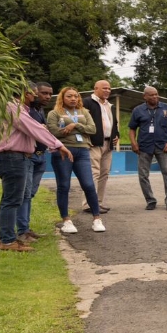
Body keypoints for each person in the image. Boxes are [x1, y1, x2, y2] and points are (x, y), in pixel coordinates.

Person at [0, 83, 72, 251]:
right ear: (25, 93)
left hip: (13, 158)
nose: (36, 96)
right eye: (34, 93)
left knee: (10, 200)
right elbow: (34, 128)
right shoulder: (13, 108)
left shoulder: (19, 108)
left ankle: (6, 238)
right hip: (12, 158)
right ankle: (7, 241)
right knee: (12, 200)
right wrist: (58, 144)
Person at [47, 86, 107, 233]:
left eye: (75, 96)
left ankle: (97, 219)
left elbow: (93, 129)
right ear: (62, 98)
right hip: (63, 151)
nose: (73, 99)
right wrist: (78, 129)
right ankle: (66, 221)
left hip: (83, 151)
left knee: (88, 185)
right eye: (69, 96)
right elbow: (53, 132)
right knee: (64, 186)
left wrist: (74, 125)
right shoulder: (54, 113)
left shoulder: (84, 112)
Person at [128, 86, 167, 211]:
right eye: (151, 95)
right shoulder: (137, 110)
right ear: (145, 96)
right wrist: (134, 143)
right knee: (143, 175)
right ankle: (150, 200)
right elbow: (132, 129)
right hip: (144, 147)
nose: (155, 96)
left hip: (163, 146)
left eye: (156, 94)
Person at [17, 82, 53, 244]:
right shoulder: (24, 111)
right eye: (43, 93)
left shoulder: (40, 110)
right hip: (29, 155)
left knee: (30, 194)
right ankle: (22, 230)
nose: (47, 96)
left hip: (40, 156)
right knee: (24, 195)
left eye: (50, 94)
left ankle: (25, 228)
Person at [82, 80, 118, 214]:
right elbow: (81, 121)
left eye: (109, 88)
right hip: (93, 143)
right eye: (104, 88)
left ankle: (99, 203)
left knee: (104, 174)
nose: (107, 90)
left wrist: (116, 135)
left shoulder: (110, 105)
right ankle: (88, 204)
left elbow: (114, 123)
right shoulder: (87, 102)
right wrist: (86, 138)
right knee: (94, 173)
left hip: (108, 144)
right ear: (95, 88)